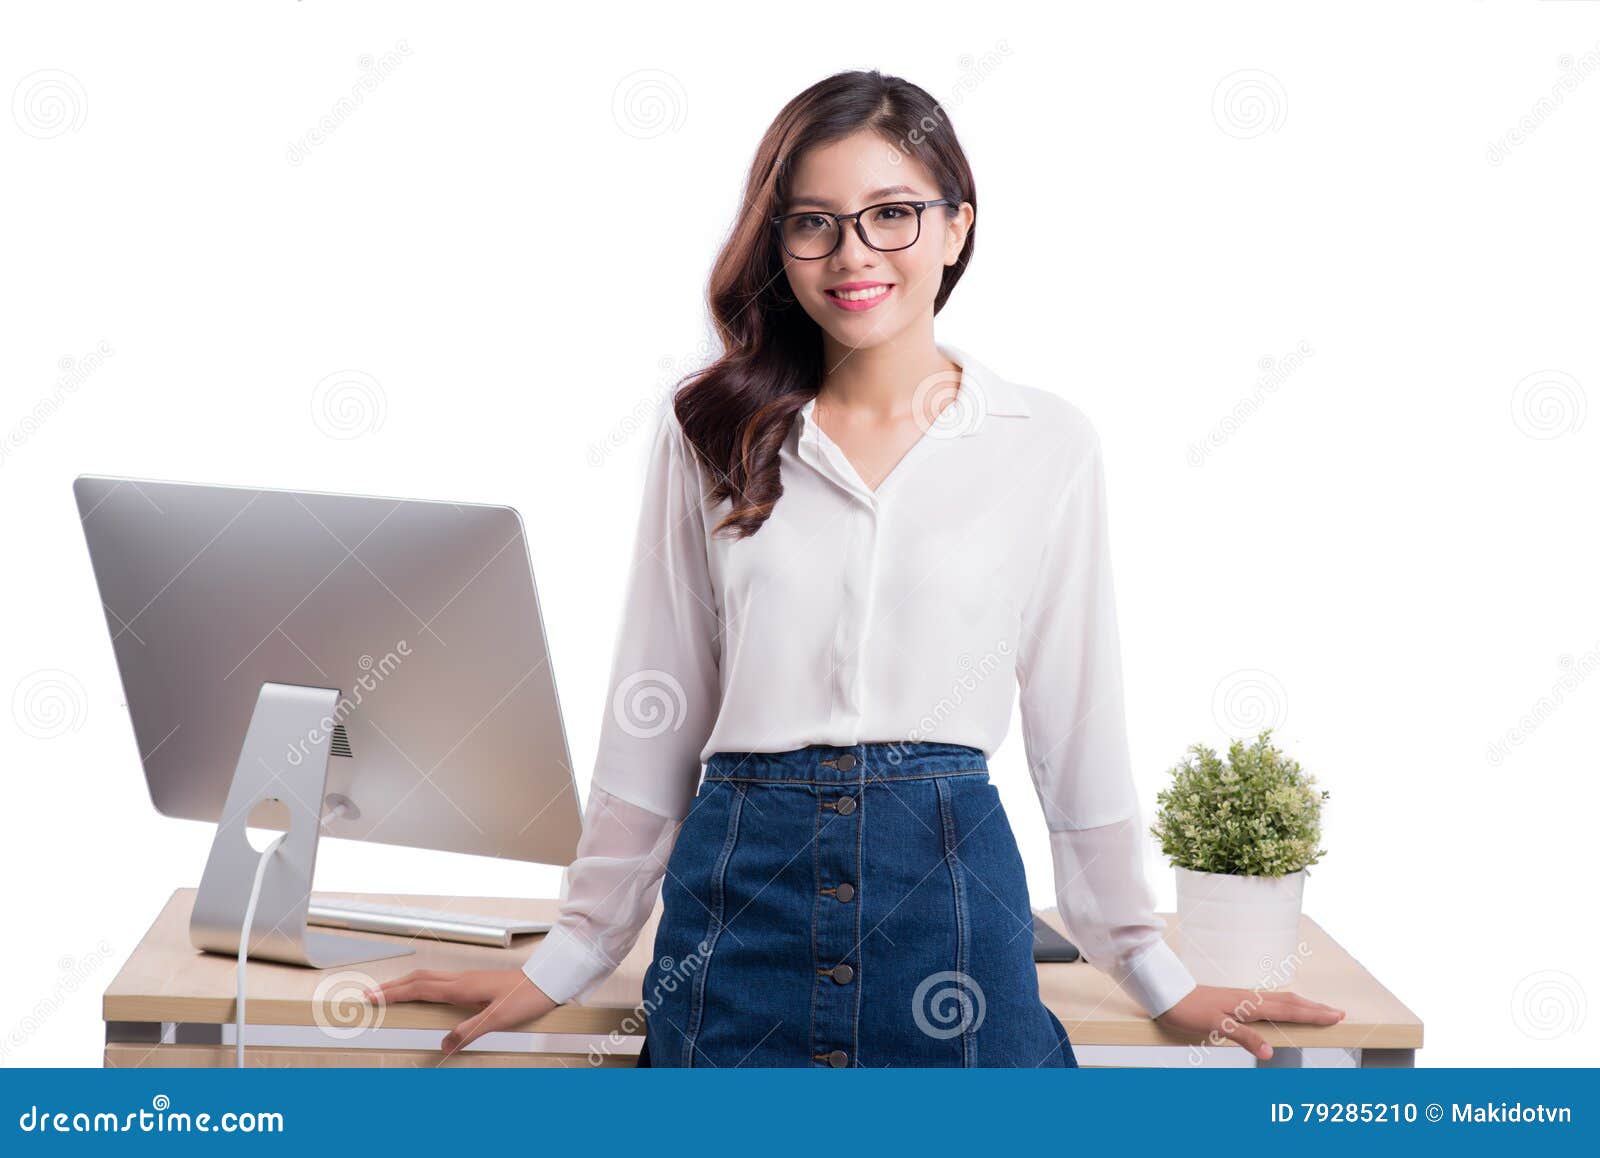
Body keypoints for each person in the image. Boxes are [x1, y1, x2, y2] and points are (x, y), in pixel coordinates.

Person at [368, 68, 1345, 1067]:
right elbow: (652, 708)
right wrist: (571, 955)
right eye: (814, 223)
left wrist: (1152, 970)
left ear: (957, 226)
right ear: (779, 241)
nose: (852, 255)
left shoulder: (1044, 441)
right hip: (740, 893)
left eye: (891, 215)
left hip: (949, 899)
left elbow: (1075, 723)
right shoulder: (712, 429)